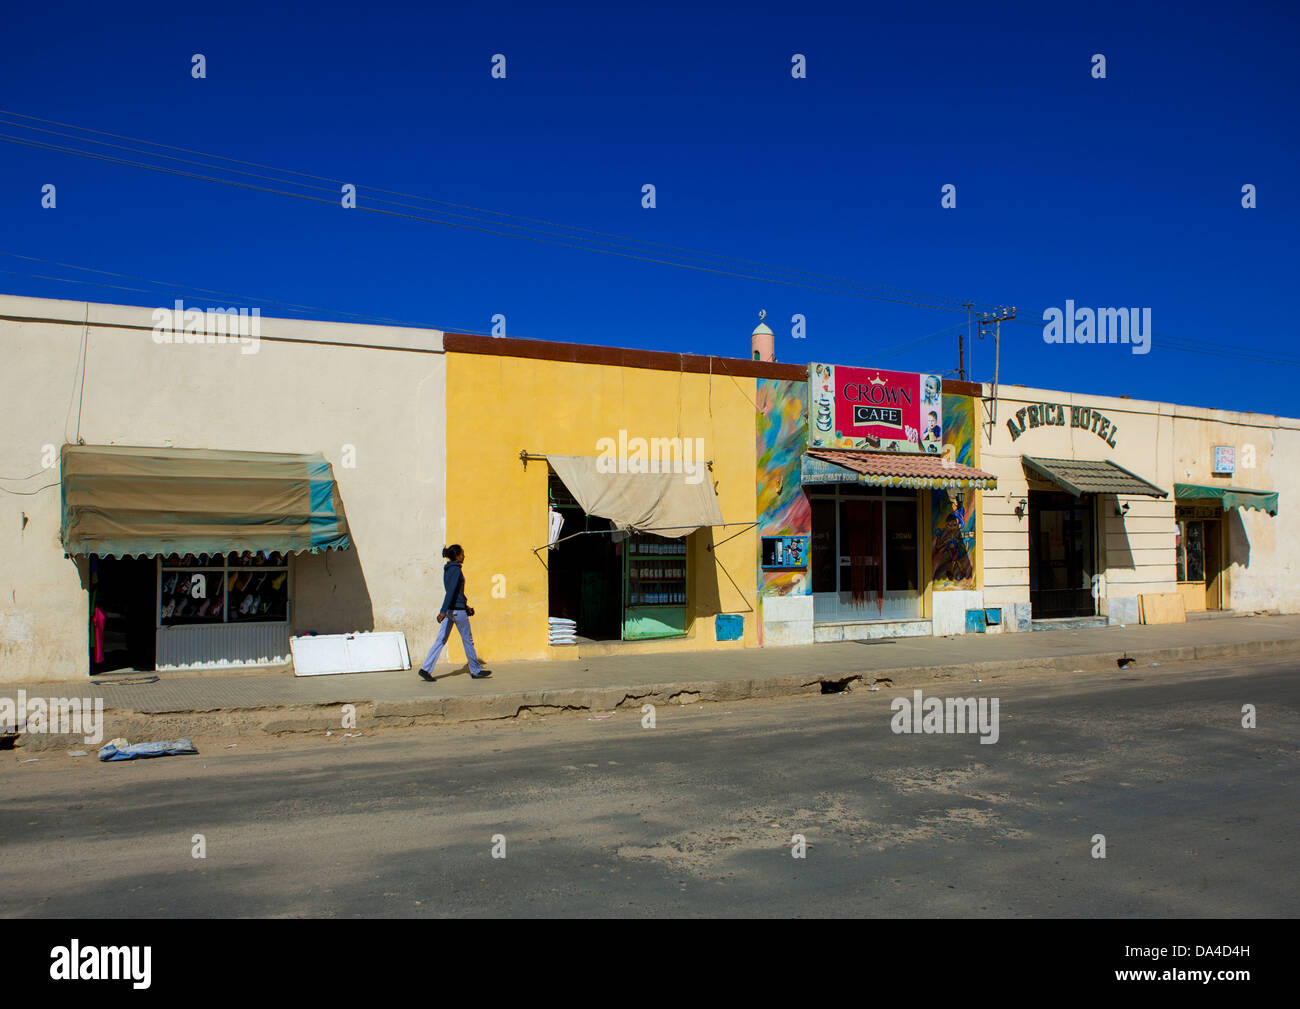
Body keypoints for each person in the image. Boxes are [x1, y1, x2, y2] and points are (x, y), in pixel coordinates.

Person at [418, 544, 492, 680]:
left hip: (451, 610)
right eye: (462, 554)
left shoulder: (447, 569)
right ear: (457, 556)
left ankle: (425, 669)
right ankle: (475, 670)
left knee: (440, 640)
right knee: (467, 640)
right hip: (456, 612)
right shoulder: (457, 570)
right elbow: (451, 592)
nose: (464, 556)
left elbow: (456, 593)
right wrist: (442, 611)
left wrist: (465, 606)